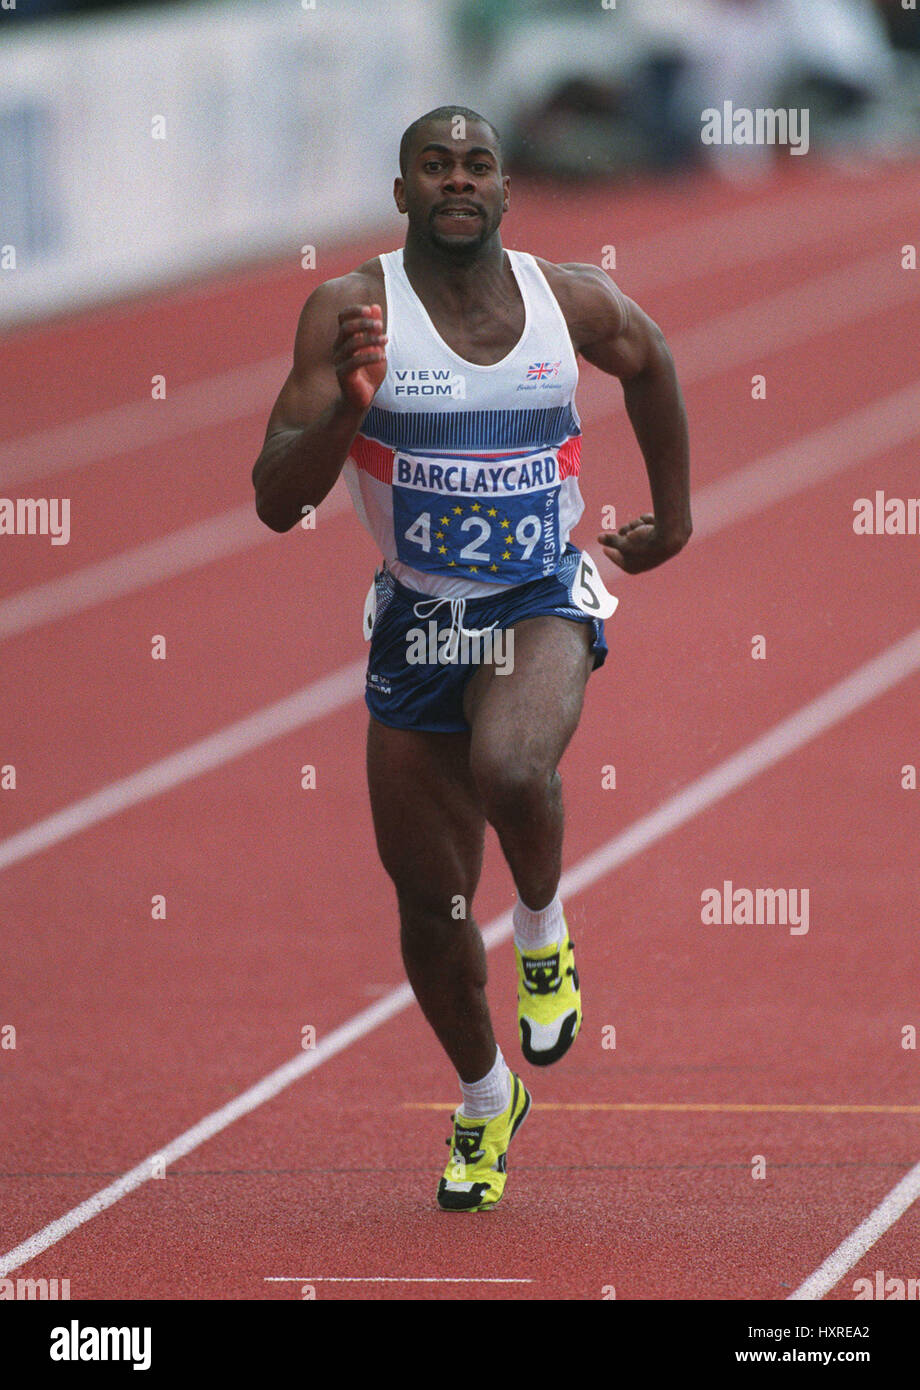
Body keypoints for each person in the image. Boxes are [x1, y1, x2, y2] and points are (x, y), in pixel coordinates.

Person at [252, 106, 691, 1212]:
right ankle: (485, 1096)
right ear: (401, 192)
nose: (458, 181)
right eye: (434, 167)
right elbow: (273, 499)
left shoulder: (567, 297)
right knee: (431, 911)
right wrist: (344, 413)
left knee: (511, 767)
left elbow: (651, 362)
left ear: (504, 192)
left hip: (538, 593)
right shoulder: (350, 312)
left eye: (477, 166)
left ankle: (542, 929)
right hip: (416, 622)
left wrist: (674, 521)